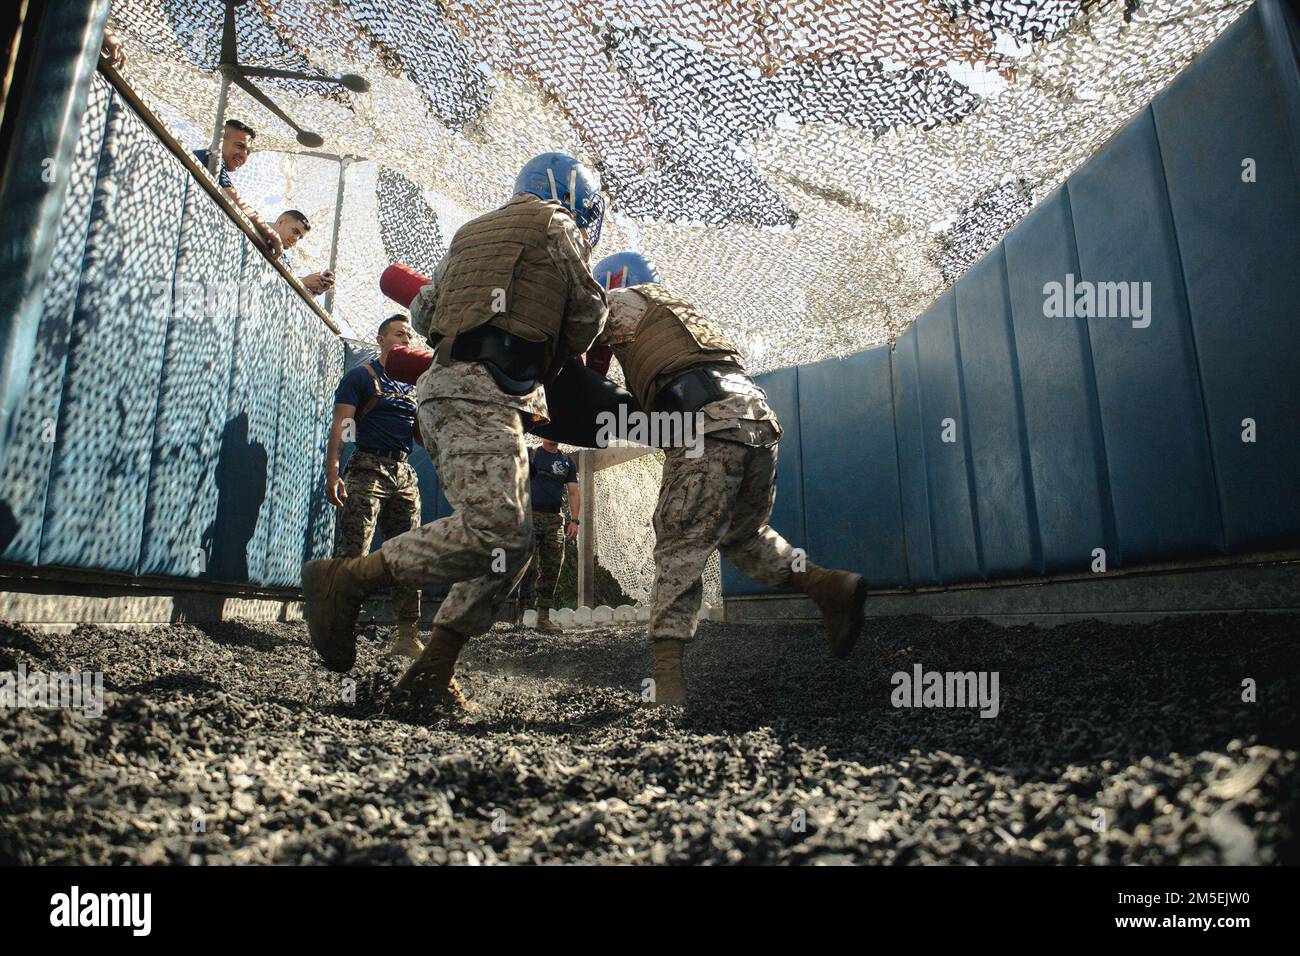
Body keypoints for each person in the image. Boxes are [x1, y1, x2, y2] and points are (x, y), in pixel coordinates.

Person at [300, 153, 608, 711]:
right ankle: (345, 580)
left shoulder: (469, 231)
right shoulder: (558, 225)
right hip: (483, 390)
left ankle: (433, 669)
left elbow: (423, 311)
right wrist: (564, 350)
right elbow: (588, 313)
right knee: (499, 531)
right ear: (575, 198)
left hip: (454, 389)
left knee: (509, 549)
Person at [590, 251, 870, 707]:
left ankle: (667, 682)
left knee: (680, 544)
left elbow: (583, 356)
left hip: (706, 426)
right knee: (745, 536)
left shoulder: (621, 301)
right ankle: (826, 585)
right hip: (756, 421)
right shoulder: (682, 311)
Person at [324, 315, 423, 659]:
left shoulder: (414, 387)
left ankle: (407, 634)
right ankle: (339, 629)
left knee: (408, 555)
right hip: (368, 468)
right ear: (381, 339)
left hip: (404, 473)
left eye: (409, 337)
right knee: (355, 551)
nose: (404, 342)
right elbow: (342, 425)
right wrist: (333, 472)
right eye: (398, 335)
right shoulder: (361, 376)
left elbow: (422, 437)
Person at [192, 119, 283, 256]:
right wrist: (271, 233)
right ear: (220, 140)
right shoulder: (211, 159)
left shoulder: (213, 163)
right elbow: (237, 202)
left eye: (248, 152)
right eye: (240, 146)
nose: (243, 155)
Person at [517, 439, 580, 631]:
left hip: (554, 521)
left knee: (552, 568)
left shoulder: (567, 461)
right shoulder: (530, 455)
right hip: (529, 519)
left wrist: (574, 521)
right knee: (527, 568)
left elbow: (573, 492)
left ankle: (543, 618)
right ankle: (518, 616)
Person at [272, 209, 335, 296]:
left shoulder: (283, 259)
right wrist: (303, 282)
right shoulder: (256, 232)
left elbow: (282, 284)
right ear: (281, 222)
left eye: (300, 237)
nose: (296, 239)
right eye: (295, 231)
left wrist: (314, 288)